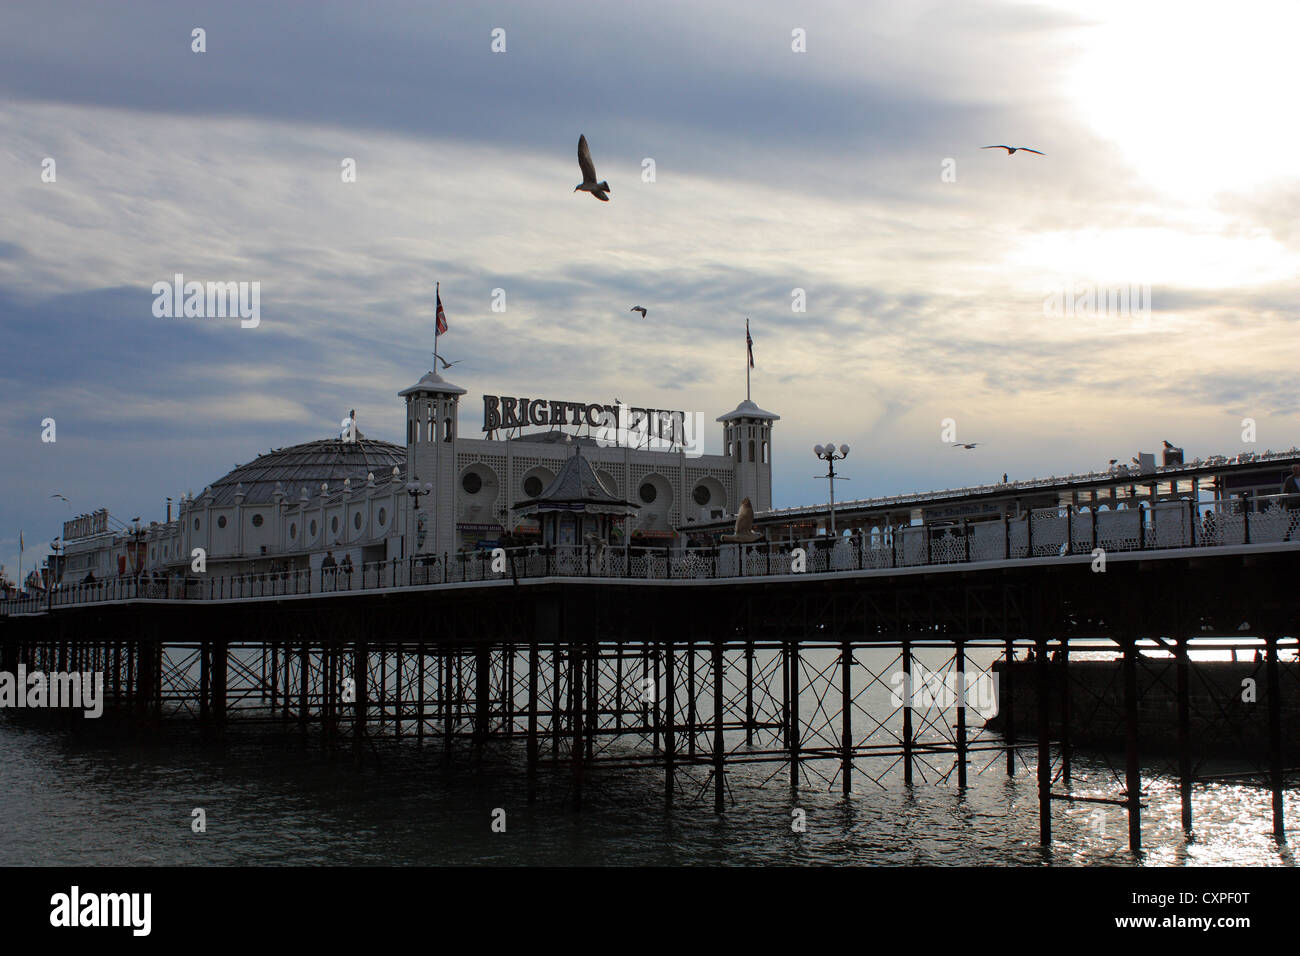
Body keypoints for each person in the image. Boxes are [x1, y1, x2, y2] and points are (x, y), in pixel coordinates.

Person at [1282, 464, 1300, 541]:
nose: (1296, 471)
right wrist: (1283, 504)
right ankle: (1287, 536)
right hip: (1294, 503)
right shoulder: (1289, 479)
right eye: (1294, 469)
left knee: (1296, 520)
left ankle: (1287, 536)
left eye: (1297, 469)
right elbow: (1286, 492)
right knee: (1295, 520)